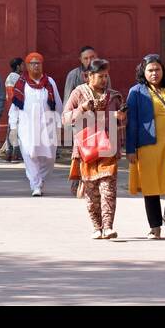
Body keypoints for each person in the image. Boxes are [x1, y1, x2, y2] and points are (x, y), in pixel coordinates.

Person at [126, 54, 165, 238]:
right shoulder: (136, 92)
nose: (154, 73)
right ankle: (155, 227)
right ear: (143, 72)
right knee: (151, 185)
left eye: (157, 69)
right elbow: (132, 122)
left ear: (163, 70)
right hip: (148, 146)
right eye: (150, 70)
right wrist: (130, 149)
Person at [62, 59, 125, 239]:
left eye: (106, 76)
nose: (105, 80)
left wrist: (120, 117)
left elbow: (123, 122)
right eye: (100, 76)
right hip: (86, 150)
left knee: (108, 189)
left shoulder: (114, 96)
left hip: (108, 149)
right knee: (91, 192)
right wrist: (82, 108)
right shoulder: (78, 93)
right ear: (89, 76)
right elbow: (65, 118)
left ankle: (108, 227)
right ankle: (96, 227)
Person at [8, 52, 60, 195]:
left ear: (42, 65)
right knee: (30, 154)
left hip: (47, 125)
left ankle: (40, 178)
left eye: (38, 63)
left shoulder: (49, 82)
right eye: (32, 63)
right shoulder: (21, 83)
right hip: (27, 126)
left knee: (50, 158)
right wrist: (13, 127)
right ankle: (35, 185)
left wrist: (60, 124)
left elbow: (57, 103)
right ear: (27, 66)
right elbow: (15, 108)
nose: (35, 66)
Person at [4, 57, 23, 162]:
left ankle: (10, 152)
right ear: (18, 66)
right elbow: (12, 93)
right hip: (15, 106)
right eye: (22, 65)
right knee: (15, 130)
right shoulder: (14, 77)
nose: (24, 67)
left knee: (12, 129)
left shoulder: (14, 77)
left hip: (13, 106)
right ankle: (14, 153)